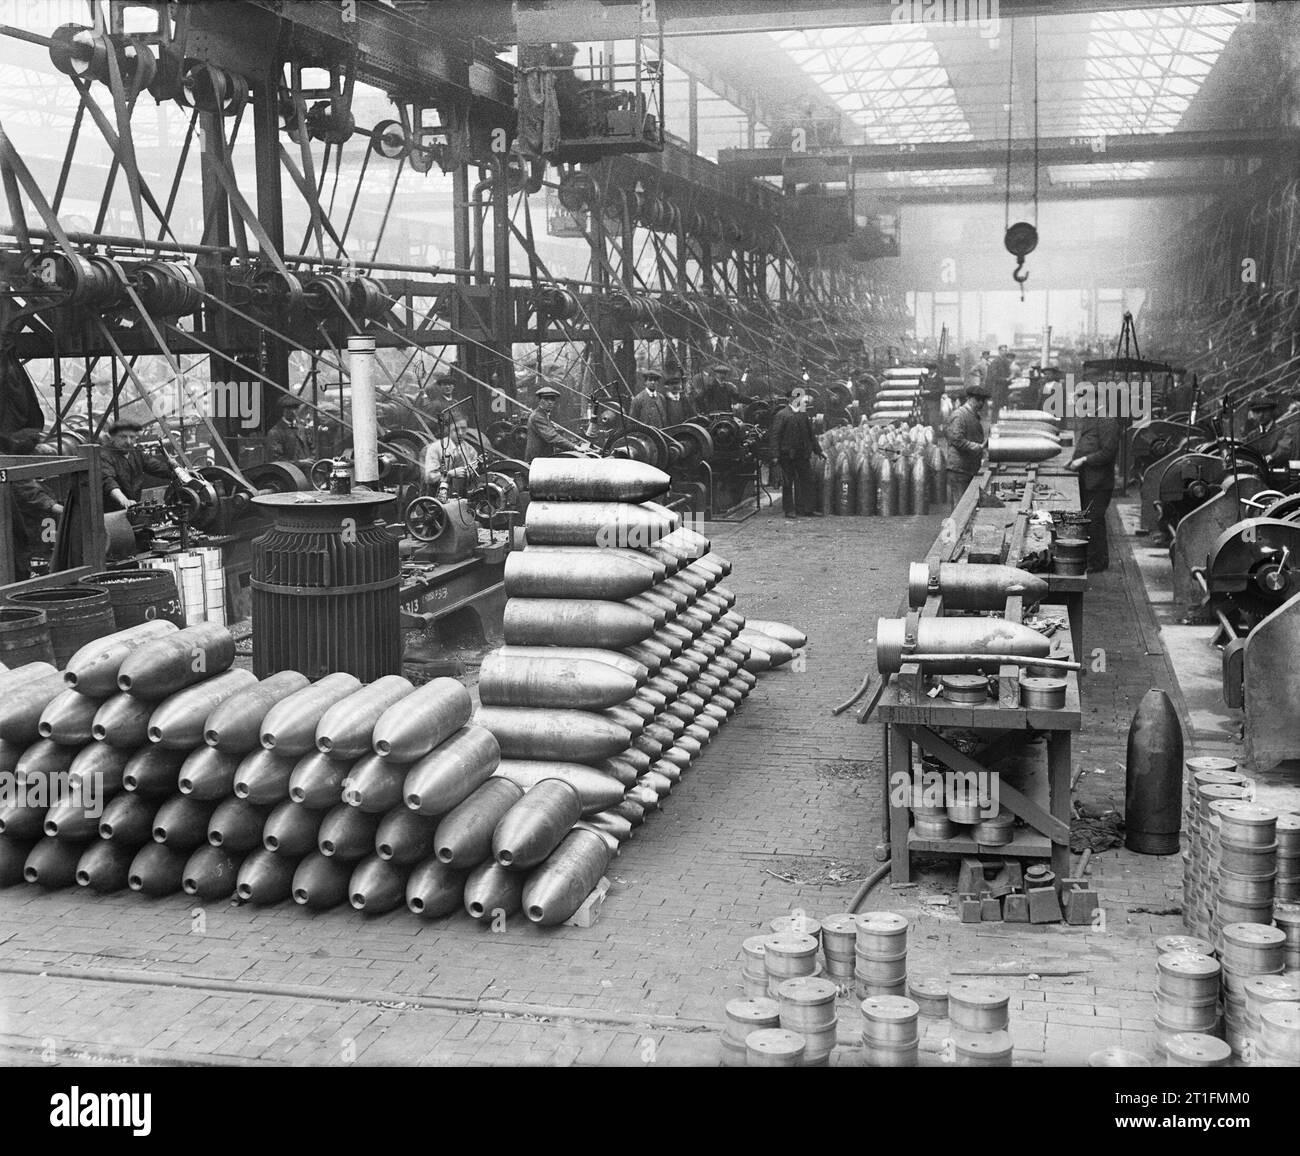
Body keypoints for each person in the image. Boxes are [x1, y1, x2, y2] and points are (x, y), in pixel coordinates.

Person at [0, 428, 64, 580]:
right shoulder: (7, 462)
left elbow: (29, 489)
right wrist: (60, 509)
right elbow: (29, 490)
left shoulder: (7, 459)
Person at [1066, 411, 1120, 572]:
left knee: (1094, 520)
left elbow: (1107, 453)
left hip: (1099, 482)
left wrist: (1083, 460)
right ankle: (1096, 560)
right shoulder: (1092, 419)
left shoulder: (1107, 421)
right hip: (1089, 479)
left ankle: (1096, 563)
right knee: (1093, 520)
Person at [769, 388, 822, 519]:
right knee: (788, 483)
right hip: (787, 455)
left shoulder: (803, 414)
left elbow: (811, 435)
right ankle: (789, 510)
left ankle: (807, 509)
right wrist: (775, 456)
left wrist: (818, 450)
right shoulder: (782, 415)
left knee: (808, 481)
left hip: (802, 455)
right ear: (790, 399)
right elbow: (775, 436)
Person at [100, 418, 171, 510]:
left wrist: (183, 473)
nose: (128, 442)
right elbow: (108, 481)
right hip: (111, 513)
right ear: (113, 437)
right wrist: (123, 500)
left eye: (132, 437)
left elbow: (158, 467)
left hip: (132, 508)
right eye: (123, 437)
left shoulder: (136, 453)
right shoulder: (104, 455)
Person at [944, 383, 989, 509]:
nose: (981, 404)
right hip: (959, 469)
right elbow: (956, 439)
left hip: (967, 468)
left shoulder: (972, 415)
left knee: (964, 507)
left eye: (983, 401)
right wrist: (976, 447)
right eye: (978, 400)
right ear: (969, 399)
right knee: (960, 509)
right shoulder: (960, 415)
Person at [524, 385, 583, 463]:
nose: (550, 402)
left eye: (552, 399)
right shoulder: (537, 416)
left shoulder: (544, 415)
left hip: (542, 458)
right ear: (539, 400)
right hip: (536, 460)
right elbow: (552, 437)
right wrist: (575, 447)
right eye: (546, 399)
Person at [1243, 394, 1290, 467]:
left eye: (1265, 411)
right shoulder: (1251, 436)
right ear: (1253, 414)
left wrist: (1271, 456)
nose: (1261, 415)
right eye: (1257, 412)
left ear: (1271, 411)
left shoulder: (1283, 432)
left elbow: (1283, 450)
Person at [265, 394, 314, 462]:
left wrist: (311, 460)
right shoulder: (275, 432)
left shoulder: (302, 429)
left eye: (296, 407)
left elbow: (313, 448)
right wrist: (300, 462)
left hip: (307, 470)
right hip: (288, 471)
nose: (293, 411)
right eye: (289, 408)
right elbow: (276, 460)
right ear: (283, 410)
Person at [422, 371, 470, 440]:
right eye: (445, 384)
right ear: (440, 387)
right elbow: (428, 424)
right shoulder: (435, 404)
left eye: (450, 384)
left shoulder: (456, 403)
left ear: (453, 387)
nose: (447, 387)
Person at [986, 345, 1012, 421]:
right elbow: (993, 377)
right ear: (999, 351)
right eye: (1003, 350)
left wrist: (1009, 378)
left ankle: (1002, 424)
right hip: (997, 388)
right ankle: (994, 424)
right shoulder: (996, 362)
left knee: (1004, 407)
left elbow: (1008, 373)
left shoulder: (1005, 361)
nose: (1005, 352)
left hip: (1004, 388)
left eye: (1006, 350)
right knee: (996, 408)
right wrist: (1005, 380)